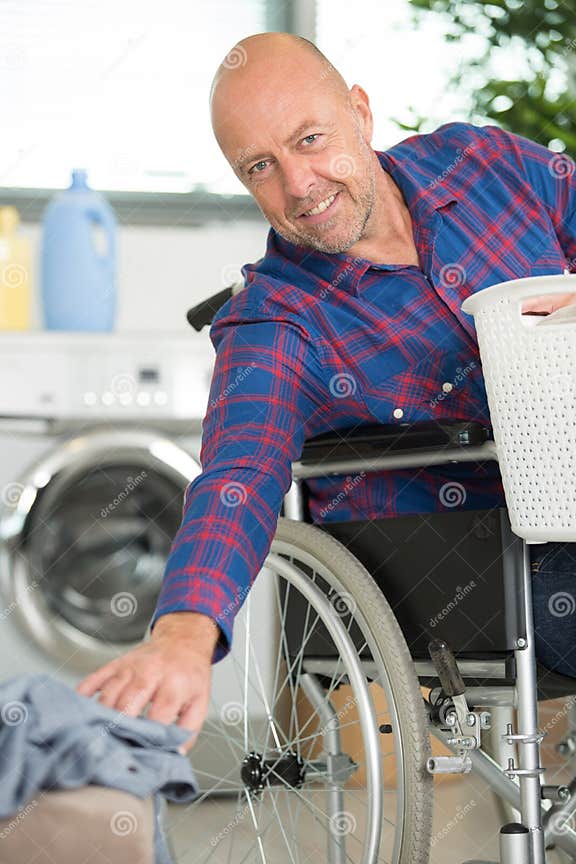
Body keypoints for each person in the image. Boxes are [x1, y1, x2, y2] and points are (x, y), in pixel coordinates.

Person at [77, 31, 576, 750]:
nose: (299, 186)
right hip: (486, 570)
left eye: (310, 139)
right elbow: (239, 475)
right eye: (261, 166)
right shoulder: (276, 320)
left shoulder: (484, 164)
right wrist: (184, 633)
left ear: (361, 115)